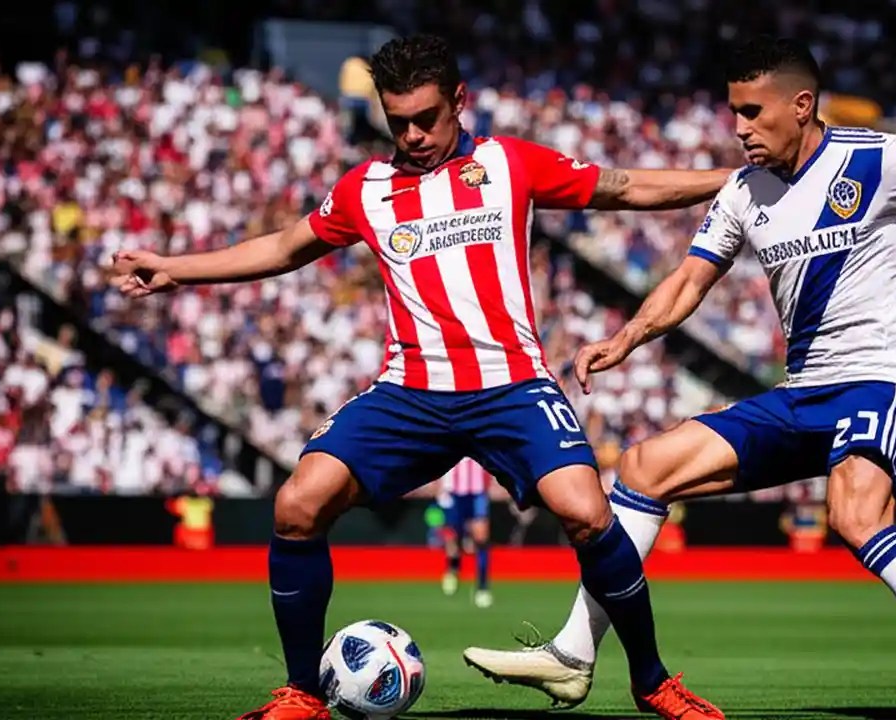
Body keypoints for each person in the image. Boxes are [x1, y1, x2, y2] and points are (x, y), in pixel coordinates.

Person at [108, 34, 730, 720]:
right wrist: (176, 269)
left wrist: (731, 181)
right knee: (297, 506)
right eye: (397, 120)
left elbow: (624, 186)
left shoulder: (507, 163)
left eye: (426, 118)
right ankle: (302, 693)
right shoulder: (364, 190)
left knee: (588, 513)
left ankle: (652, 682)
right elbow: (285, 247)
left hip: (511, 385)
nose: (412, 135)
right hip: (410, 393)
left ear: (459, 101)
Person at [463, 36, 896, 720]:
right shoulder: (742, 191)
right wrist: (626, 337)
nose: (739, 127)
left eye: (752, 112)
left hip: (880, 381)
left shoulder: (885, 158)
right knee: (642, 467)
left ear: (802, 105)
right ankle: (574, 655)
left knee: (854, 516)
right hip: (801, 393)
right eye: (733, 111)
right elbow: (690, 280)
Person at [437, 456, 494, 607]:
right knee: (453, 536)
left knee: (481, 539)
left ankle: (482, 586)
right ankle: (453, 568)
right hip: (455, 493)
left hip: (477, 493)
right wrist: (441, 490)